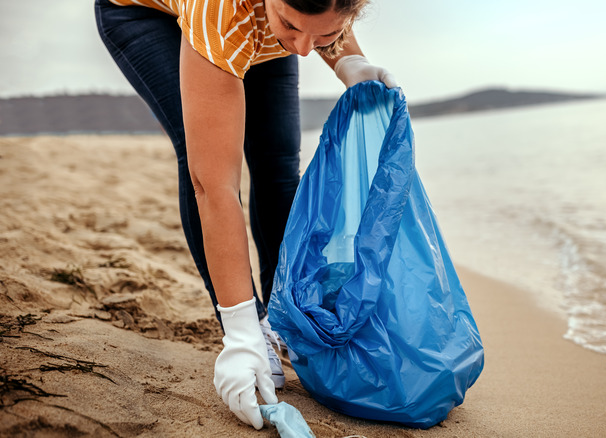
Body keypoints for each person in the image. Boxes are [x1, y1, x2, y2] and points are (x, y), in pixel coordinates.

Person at [94, 0, 396, 429]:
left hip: (262, 18)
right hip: (143, 13)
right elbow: (213, 188)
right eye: (290, 26)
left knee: (277, 162)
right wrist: (240, 328)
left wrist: (348, 58)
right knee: (205, 159)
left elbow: (318, 18)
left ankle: (283, 312)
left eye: (323, 36)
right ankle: (251, 322)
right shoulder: (220, 10)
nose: (304, 50)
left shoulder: (300, 28)